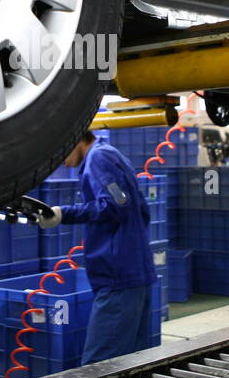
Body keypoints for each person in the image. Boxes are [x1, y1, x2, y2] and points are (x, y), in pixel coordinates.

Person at [39, 130, 155, 364]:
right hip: (132, 273)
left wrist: (65, 214)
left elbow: (117, 204)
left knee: (97, 368)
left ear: (77, 137)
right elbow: (139, 209)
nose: (58, 159)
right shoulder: (109, 155)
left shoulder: (98, 158)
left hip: (118, 277)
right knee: (133, 362)